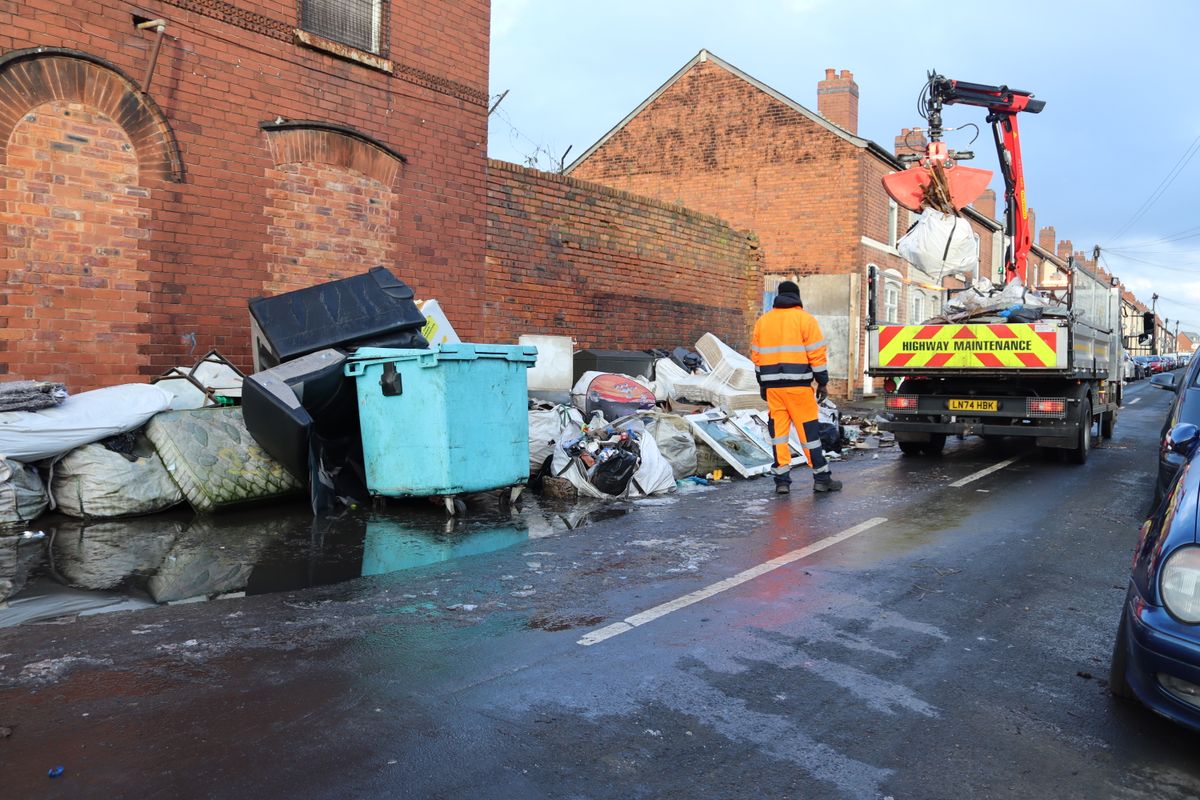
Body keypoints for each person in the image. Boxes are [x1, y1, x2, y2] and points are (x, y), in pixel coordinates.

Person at [750, 281, 842, 495]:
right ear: (797, 297)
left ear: (779, 296)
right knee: (809, 434)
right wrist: (823, 382)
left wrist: (762, 384)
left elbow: (756, 357)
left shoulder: (763, 322)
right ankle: (821, 478)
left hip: (774, 389)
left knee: (779, 435)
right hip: (799, 388)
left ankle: (782, 481)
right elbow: (817, 355)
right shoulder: (805, 320)